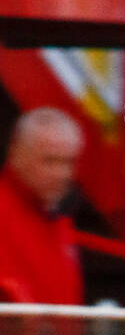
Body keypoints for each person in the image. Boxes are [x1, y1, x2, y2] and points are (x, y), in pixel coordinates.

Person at [0, 108, 84, 304]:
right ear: (16, 154)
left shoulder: (57, 219)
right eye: (49, 161)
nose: (61, 174)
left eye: (68, 162)